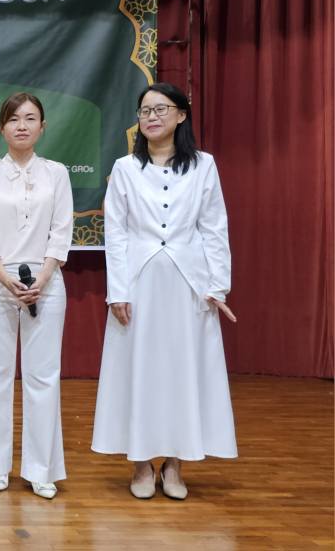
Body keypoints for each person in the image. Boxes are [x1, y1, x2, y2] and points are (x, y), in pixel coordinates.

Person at [92, 82, 237, 500]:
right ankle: (140, 462)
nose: (151, 117)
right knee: (139, 370)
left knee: (182, 372)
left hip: (188, 285)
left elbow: (214, 228)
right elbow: (115, 234)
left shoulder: (204, 166)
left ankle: (175, 463)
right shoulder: (125, 168)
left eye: (160, 109)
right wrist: (117, 291)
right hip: (138, 283)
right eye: (144, 111)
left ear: (181, 115)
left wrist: (218, 285)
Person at [0, 92, 72, 499]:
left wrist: (42, 278)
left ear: (42, 127)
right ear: (2, 128)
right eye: (13, 119)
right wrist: (5, 278)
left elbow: (61, 232)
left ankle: (41, 470)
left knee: (43, 377)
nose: (22, 126)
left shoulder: (57, 174)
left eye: (30, 118)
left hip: (46, 283)